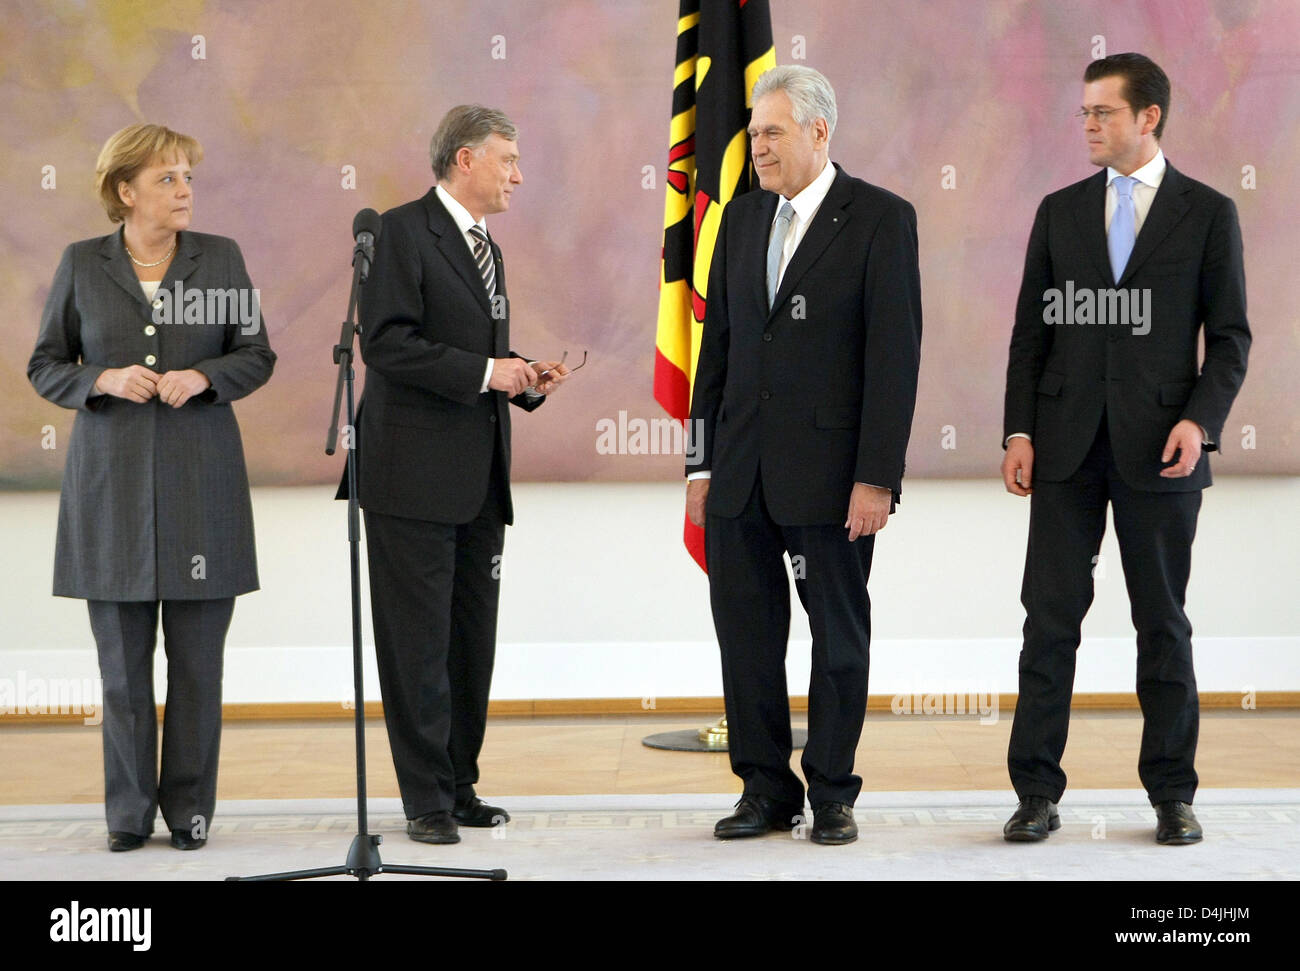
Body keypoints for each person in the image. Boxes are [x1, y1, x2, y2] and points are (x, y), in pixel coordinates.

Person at [1000, 53, 1250, 845]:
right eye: (1082, 113)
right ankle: (1035, 791)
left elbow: (1232, 338)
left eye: (1102, 112)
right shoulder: (1058, 210)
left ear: (1149, 117)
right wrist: (1019, 429)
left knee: (1163, 624)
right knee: (1049, 622)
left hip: (1162, 454)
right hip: (1065, 452)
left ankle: (1173, 793)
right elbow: (1029, 336)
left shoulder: (1208, 214)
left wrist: (1199, 420)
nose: (1087, 125)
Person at [686, 66, 922, 846]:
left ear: (820, 131)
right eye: (754, 134)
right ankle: (764, 786)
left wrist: (877, 477)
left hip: (833, 480)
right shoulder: (741, 219)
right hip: (740, 476)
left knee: (837, 638)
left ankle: (831, 790)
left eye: (772, 132)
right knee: (746, 636)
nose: (758, 146)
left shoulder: (882, 219)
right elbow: (713, 350)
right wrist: (699, 465)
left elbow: (895, 360)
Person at [27, 123, 275, 852]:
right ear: (125, 190)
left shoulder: (221, 260)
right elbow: (46, 364)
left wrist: (205, 376)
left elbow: (257, 354)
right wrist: (98, 378)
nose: (184, 190)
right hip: (110, 497)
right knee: (123, 673)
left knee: (198, 669)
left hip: (205, 493)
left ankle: (191, 815)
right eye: (167, 178)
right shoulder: (81, 264)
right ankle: (128, 817)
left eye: (187, 177)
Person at [344, 105, 569, 845]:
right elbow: (387, 345)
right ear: (464, 159)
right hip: (409, 479)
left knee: (470, 640)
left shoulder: (487, 249)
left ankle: (460, 781)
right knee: (416, 644)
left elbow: (476, 360)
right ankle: (424, 799)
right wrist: (486, 370)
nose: (518, 173)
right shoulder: (401, 231)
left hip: (478, 479)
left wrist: (523, 377)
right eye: (508, 158)